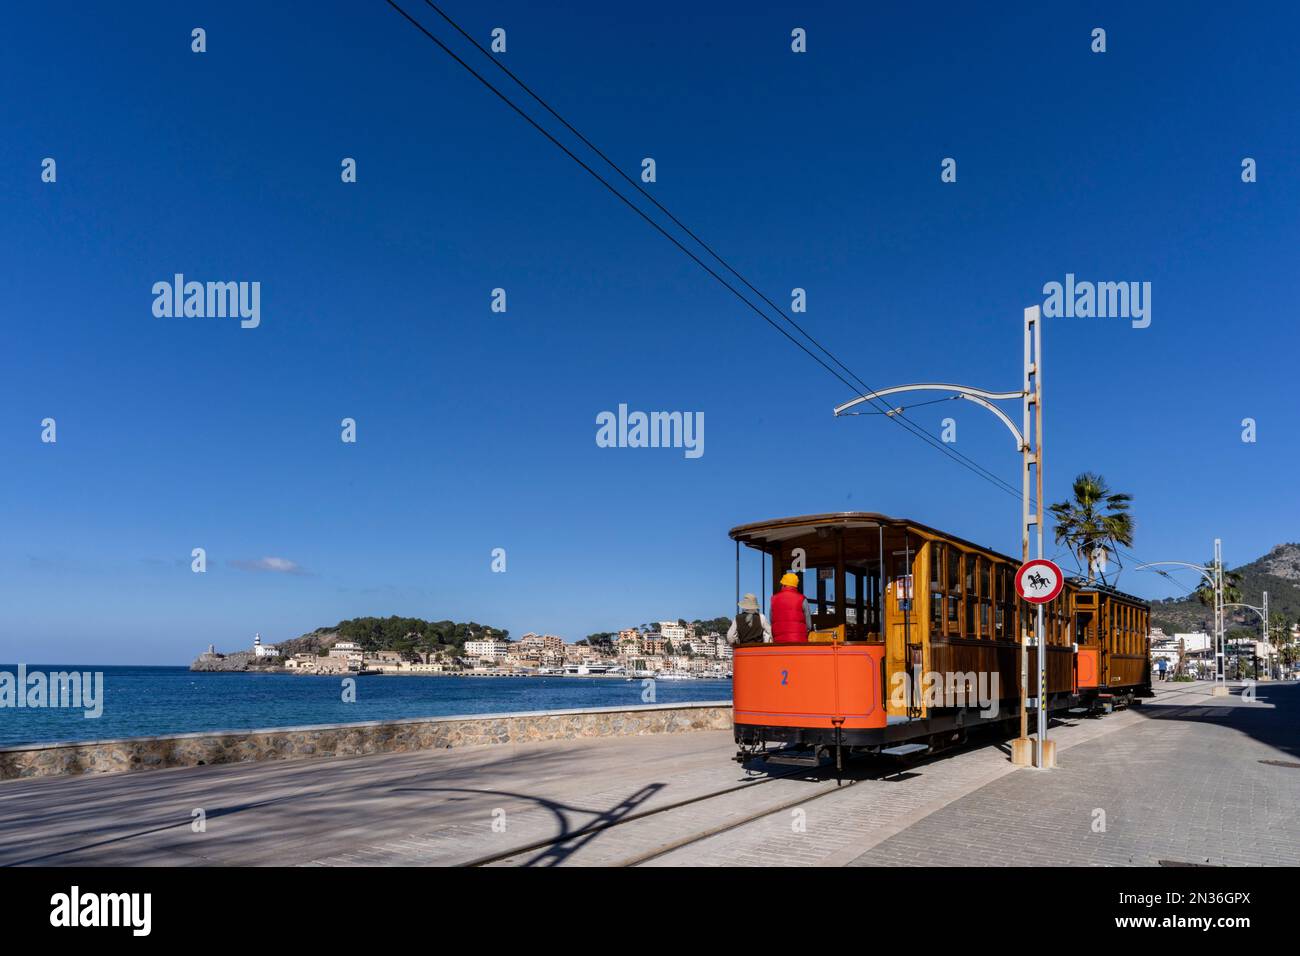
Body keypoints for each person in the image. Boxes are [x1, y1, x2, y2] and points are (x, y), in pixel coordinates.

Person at [770, 572, 812, 644]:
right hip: (799, 642)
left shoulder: (773, 599)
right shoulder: (802, 599)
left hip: (779, 642)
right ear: (795, 586)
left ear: (783, 585)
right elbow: (809, 625)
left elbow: (772, 621)